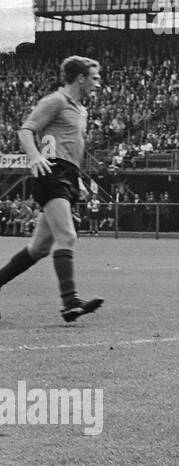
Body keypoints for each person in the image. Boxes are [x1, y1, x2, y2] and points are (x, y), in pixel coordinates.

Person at [0, 56, 105, 322]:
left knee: (39, 248)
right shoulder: (55, 101)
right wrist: (35, 156)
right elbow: (26, 129)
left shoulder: (79, 109)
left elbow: (69, 145)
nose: (98, 83)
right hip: (51, 172)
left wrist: (78, 178)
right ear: (80, 78)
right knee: (67, 235)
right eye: (94, 77)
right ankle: (70, 302)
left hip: (67, 174)